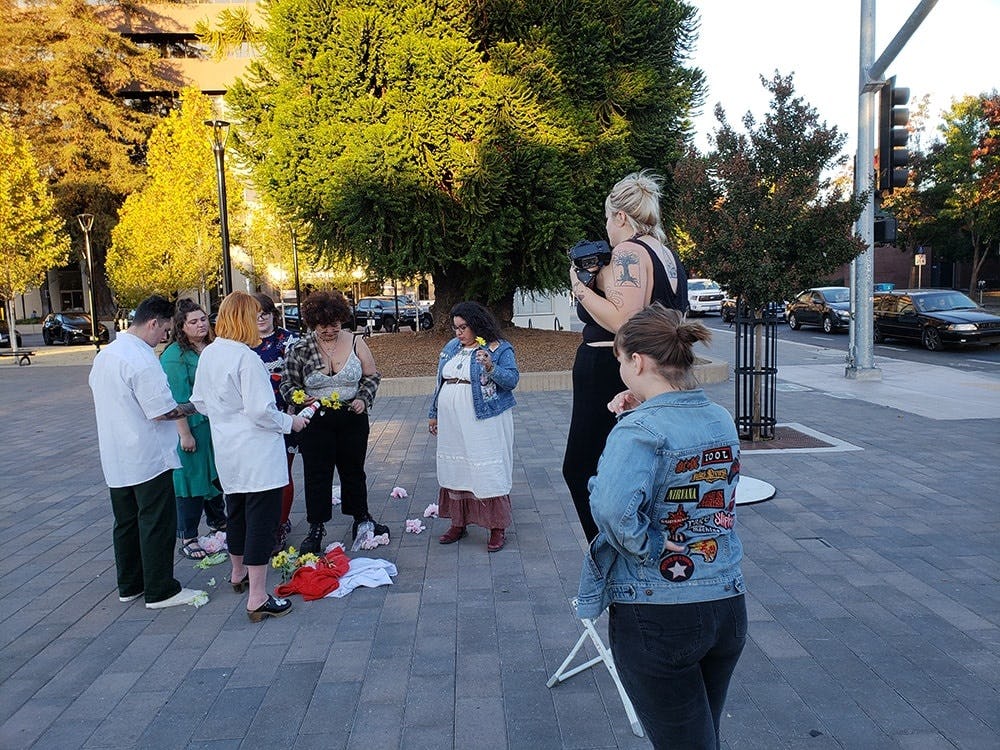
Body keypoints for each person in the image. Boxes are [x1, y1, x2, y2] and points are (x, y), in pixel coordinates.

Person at [576, 303, 746, 749]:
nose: (620, 370)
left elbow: (611, 509)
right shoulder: (720, 418)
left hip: (658, 611)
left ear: (638, 361)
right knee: (702, 734)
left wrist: (649, 545)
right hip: (726, 601)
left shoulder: (640, 430)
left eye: (619, 360)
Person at [563, 170, 689, 542]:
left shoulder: (629, 251)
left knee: (581, 468)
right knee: (636, 469)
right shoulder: (664, 253)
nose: (607, 229)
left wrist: (579, 287)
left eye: (607, 218)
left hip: (609, 371)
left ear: (620, 216)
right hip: (654, 373)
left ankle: (610, 551)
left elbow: (624, 321)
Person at [191, 292, 309, 622]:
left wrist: (226, 416)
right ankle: (258, 596)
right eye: (254, 315)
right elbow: (260, 411)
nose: (259, 321)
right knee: (261, 521)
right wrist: (290, 422)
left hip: (228, 449)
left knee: (237, 512)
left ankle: (237, 573)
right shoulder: (246, 358)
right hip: (257, 451)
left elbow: (199, 401)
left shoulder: (211, 353)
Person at [88, 295, 207, 610]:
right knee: (156, 522)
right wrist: (196, 405)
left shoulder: (107, 355)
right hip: (148, 455)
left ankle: (130, 584)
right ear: (153, 323)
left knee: (126, 522)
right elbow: (162, 411)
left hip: (116, 454)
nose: (165, 336)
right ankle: (160, 590)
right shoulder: (142, 359)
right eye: (166, 330)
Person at [280, 291, 387, 554]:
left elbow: (372, 376)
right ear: (312, 323)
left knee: (353, 469)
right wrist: (299, 397)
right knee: (317, 473)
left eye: (335, 324)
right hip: (316, 420)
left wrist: (363, 398)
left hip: (351, 416)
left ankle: (361, 516)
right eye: (323, 326)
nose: (329, 331)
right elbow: (287, 383)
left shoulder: (356, 342)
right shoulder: (301, 348)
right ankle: (316, 526)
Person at [428, 302, 519, 552]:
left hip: (484, 419)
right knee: (457, 467)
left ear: (477, 325)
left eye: (463, 327)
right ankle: (459, 522)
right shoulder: (452, 347)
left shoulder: (498, 348)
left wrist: (490, 367)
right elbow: (440, 381)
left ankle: (497, 527)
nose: (458, 333)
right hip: (452, 420)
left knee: (486, 468)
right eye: (455, 328)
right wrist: (434, 413)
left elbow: (512, 380)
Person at [160, 298, 226, 560]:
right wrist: (184, 434)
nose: (201, 325)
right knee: (191, 480)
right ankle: (188, 536)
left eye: (203, 319)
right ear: (181, 326)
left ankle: (219, 524)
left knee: (215, 476)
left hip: (215, 425)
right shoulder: (174, 356)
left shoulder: (213, 347)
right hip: (191, 426)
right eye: (194, 321)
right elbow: (175, 400)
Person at [251, 293, 300, 554]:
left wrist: (291, 410)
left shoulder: (289, 340)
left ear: (273, 314)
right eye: (255, 314)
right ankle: (263, 522)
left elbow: (299, 376)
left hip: (284, 413)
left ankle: (280, 524)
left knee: (282, 471)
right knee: (260, 474)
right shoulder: (243, 343)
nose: (260, 318)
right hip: (253, 420)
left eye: (265, 313)